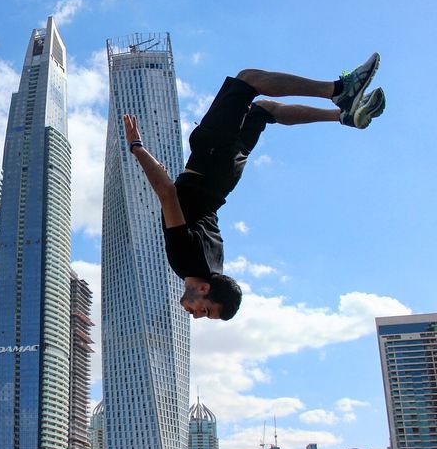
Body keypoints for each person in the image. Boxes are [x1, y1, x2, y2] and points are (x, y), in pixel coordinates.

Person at [123, 53, 385, 320]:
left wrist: (172, 181)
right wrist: (137, 148)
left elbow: (193, 208)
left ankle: (343, 117)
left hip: (225, 178)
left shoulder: (216, 264)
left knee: (264, 110)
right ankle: (339, 91)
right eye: (206, 309)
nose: (197, 315)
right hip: (210, 162)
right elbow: (167, 193)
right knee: (248, 80)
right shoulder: (184, 262)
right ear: (204, 289)